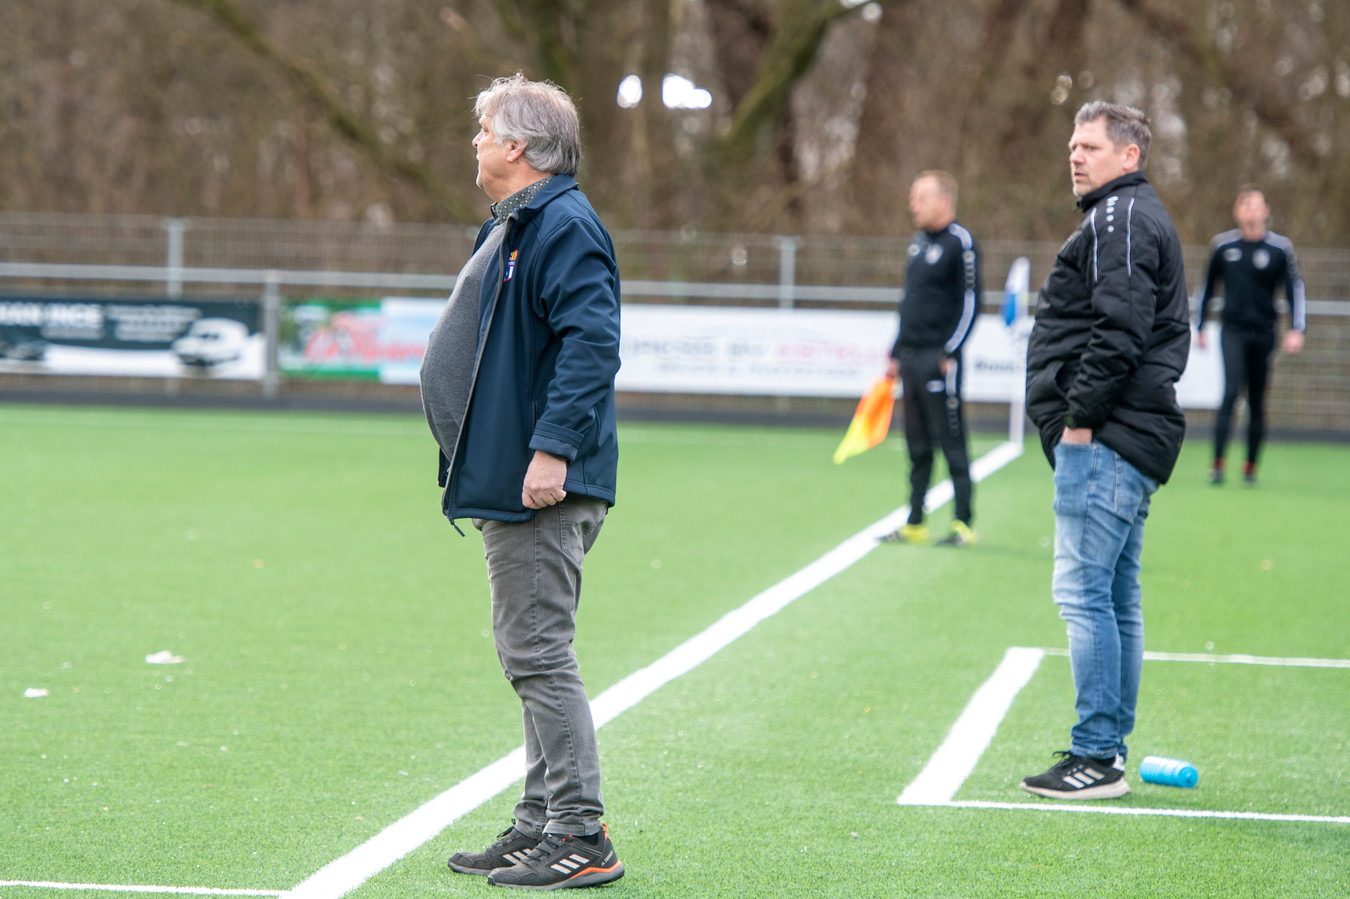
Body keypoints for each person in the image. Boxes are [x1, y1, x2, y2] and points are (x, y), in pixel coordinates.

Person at [419, 73, 624, 888]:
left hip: (542, 481)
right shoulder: (520, 222)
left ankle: (581, 832)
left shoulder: (562, 224)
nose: (474, 143)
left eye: (483, 130)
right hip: (518, 477)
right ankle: (540, 820)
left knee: (536, 652)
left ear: (518, 146)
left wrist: (550, 450)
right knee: (532, 650)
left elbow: (590, 343)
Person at [1021, 102, 1190, 800]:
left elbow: (1120, 327)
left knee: (1085, 595)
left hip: (1109, 436)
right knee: (1116, 597)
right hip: (1131, 435)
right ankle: (1107, 751)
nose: (1076, 154)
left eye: (1091, 144)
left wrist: (1080, 422)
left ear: (1131, 156)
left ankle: (1095, 754)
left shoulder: (1120, 218)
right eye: (1072, 144)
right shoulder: (1123, 216)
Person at [881, 170, 981, 547]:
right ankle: (915, 521)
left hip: (940, 363)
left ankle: (963, 524)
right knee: (916, 445)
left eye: (920, 199)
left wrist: (949, 351)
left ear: (943, 201)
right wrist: (895, 352)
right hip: (909, 360)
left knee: (951, 441)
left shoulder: (961, 243)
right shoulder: (917, 244)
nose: (913, 206)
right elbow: (909, 304)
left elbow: (971, 304)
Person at [1195, 186, 1306, 485]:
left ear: (1266, 211)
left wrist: (1297, 329)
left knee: (1257, 399)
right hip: (1232, 331)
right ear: (1237, 212)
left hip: (1265, 333)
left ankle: (1249, 468)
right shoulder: (1222, 246)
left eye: (1256, 205)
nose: (1250, 211)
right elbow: (1207, 288)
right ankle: (1217, 465)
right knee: (1230, 392)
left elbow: (1295, 290)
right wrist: (1201, 325)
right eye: (1244, 205)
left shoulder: (1280, 249)